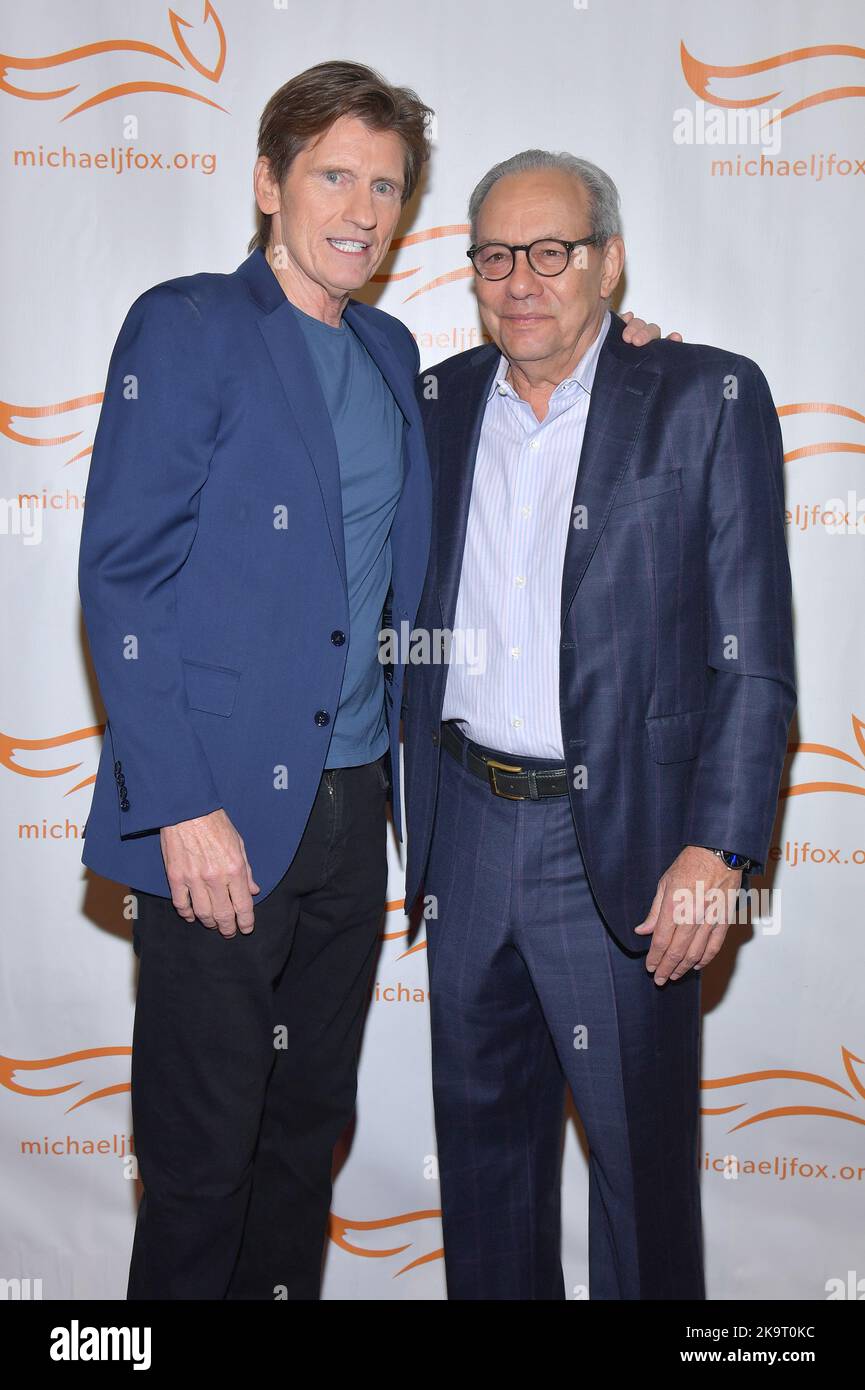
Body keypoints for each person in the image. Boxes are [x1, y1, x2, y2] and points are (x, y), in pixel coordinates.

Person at [403, 149, 796, 1300]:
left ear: (608, 262)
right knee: (484, 1176)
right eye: (494, 255)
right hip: (465, 834)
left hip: (620, 849)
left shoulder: (704, 396)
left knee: (639, 1184)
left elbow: (755, 658)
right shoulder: (434, 403)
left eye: (552, 252)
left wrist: (717, 849)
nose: (521, 279)